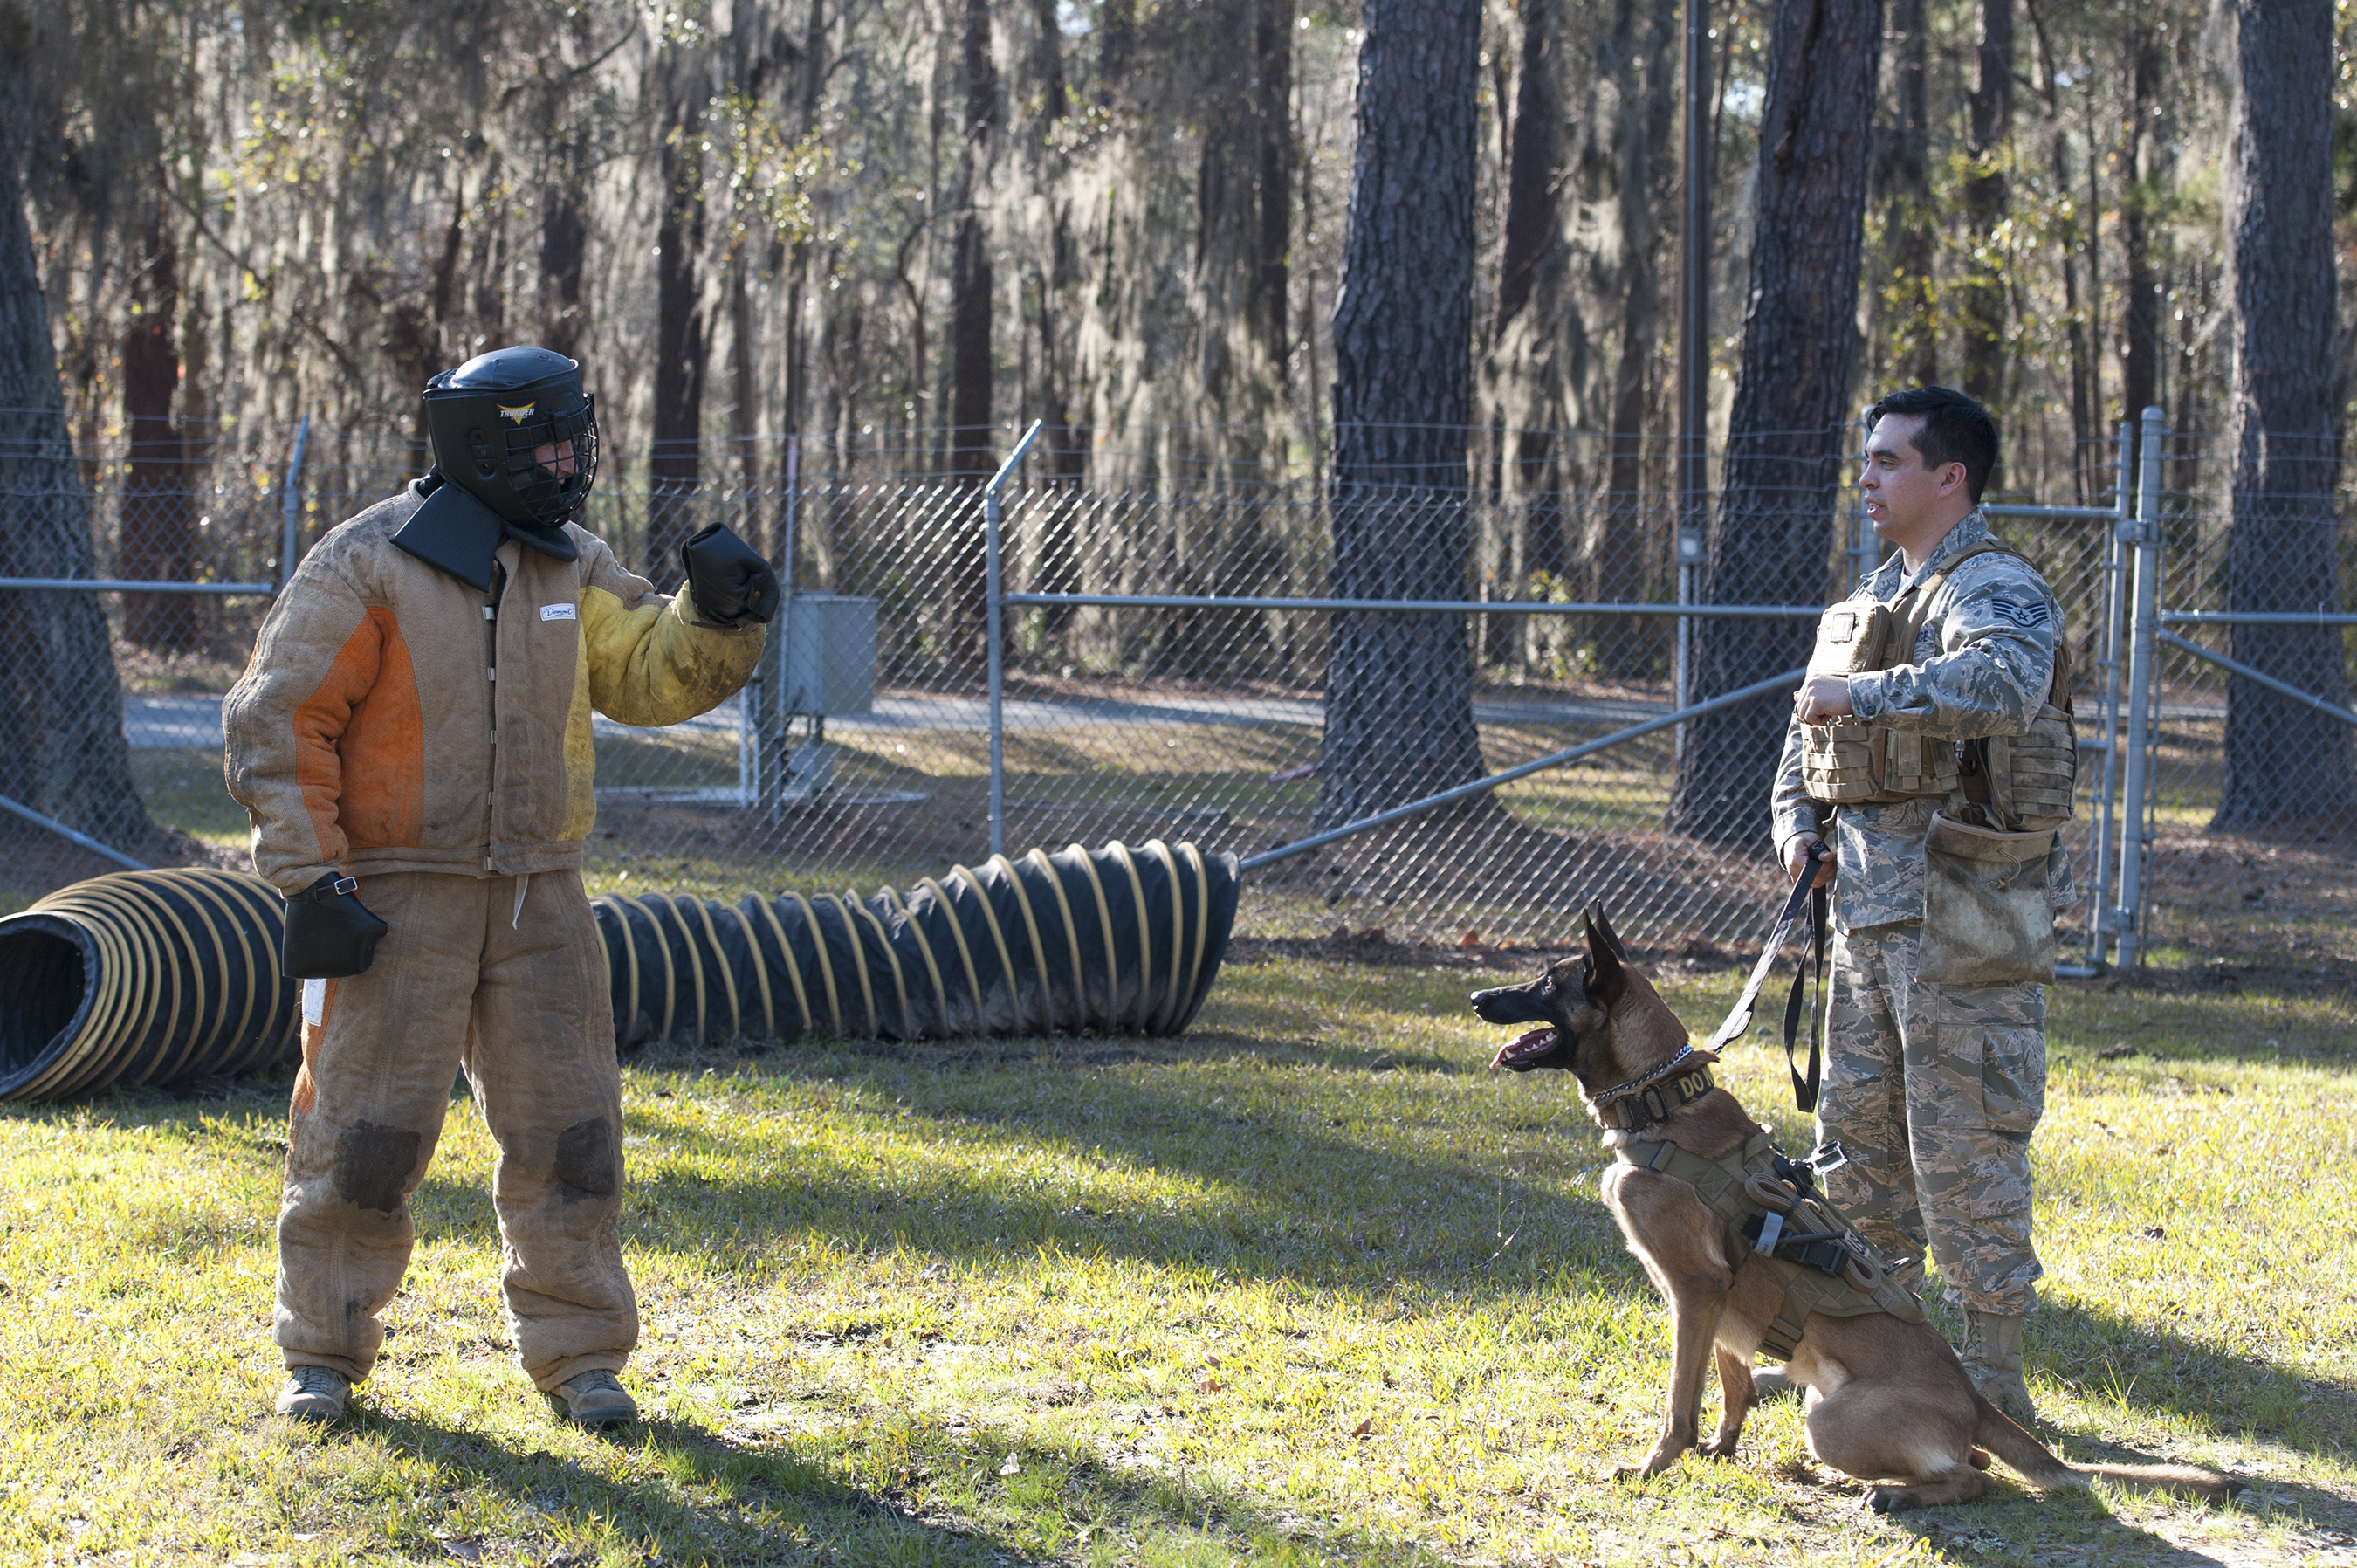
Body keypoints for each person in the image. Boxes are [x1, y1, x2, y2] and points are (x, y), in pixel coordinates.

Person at [224, 346, 779, 1427]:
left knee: (572, 1133)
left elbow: (645, 669)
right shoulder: (367, 562)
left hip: (543, 896)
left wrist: (716, 616)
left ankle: (583, 1360)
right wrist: (311, 877)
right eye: (550, 441)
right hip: (392, 900)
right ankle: (324, 1355)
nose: (572, 461)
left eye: (576, 437)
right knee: (362, 1133)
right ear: (484, 445)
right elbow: (279, 721)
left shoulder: (569, 559)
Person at [1769, 385, 2072, 1421]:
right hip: (1862, 921)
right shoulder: (1865, 603)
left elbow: (2005, 684)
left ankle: (1992, 1384)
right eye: (1867, 459)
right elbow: (1801, 742)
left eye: (1890, 460)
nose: (1868, 477)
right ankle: (1865, 1350)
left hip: (1961, 927)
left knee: (1967, 1150)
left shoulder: (1992, 587)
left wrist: (1870, 695)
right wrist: (1798, 828)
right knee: (1855, 1154)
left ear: (1951, 477)